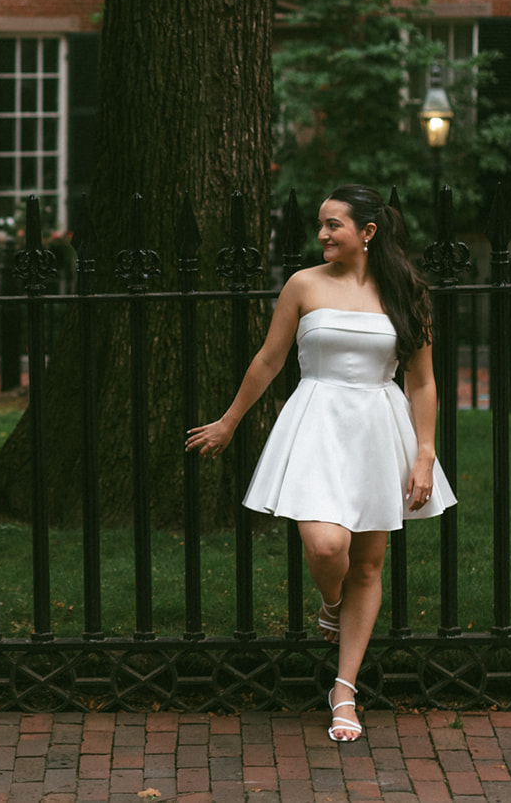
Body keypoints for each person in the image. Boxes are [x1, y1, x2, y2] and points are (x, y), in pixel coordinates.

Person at [186, 184, 455, 743]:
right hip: (316, 422)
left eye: (333, 224)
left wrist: (425, 454)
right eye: (321, 224)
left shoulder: (406, 291)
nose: (323, 234)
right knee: (327, 545)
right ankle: (332, 605)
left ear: (368, 232)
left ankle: (344, 690)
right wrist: (230, 421)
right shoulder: (303, 285)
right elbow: (269, 359)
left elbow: (422, 380)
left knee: (369, 563)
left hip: (380, 427)